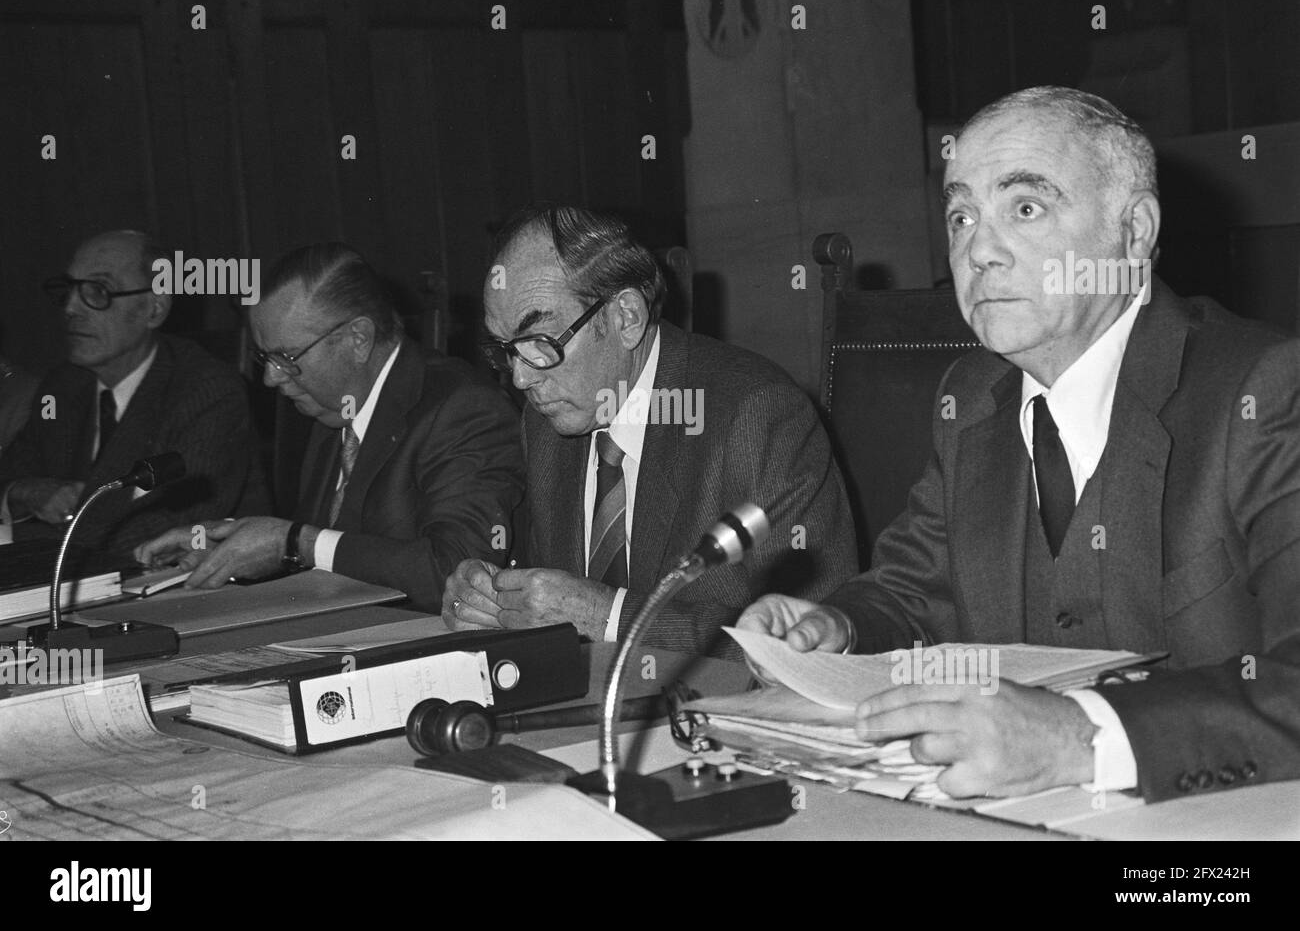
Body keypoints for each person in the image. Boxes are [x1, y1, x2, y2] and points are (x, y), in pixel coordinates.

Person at [737, 86, 1300, 803]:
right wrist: (837, 628)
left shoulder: (1267, 390)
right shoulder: (973, 398)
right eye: (961, 215)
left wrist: (1078, 737)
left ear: (1133, 234)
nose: (978, 250)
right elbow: (913, 594)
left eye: (1025, 208)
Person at [443, 204, 857, 658]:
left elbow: (813, 645)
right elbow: (553, 600)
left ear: (626, 317)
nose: (521, 380)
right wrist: (493, 597)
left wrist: (609, 617)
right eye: (506, 350)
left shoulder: (757, 417)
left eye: (541, 343)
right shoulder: (546, 425)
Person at [136, 242, 525, 612]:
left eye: (286, 357)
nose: (271, 378)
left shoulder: (463, 407)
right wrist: (232, 548)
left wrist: (292, 543)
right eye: (265, 357)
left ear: (358, 339)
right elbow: (335, 548)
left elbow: (457, 575)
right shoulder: (330, 411)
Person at [0, 230, 261, 563]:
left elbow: (156, 531)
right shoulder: (62, 387)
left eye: (98, 291)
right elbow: (8, 476)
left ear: (154, 309)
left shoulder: (208, 390)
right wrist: (23, 493)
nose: (70, 308)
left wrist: (17, 541)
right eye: (68, 290)